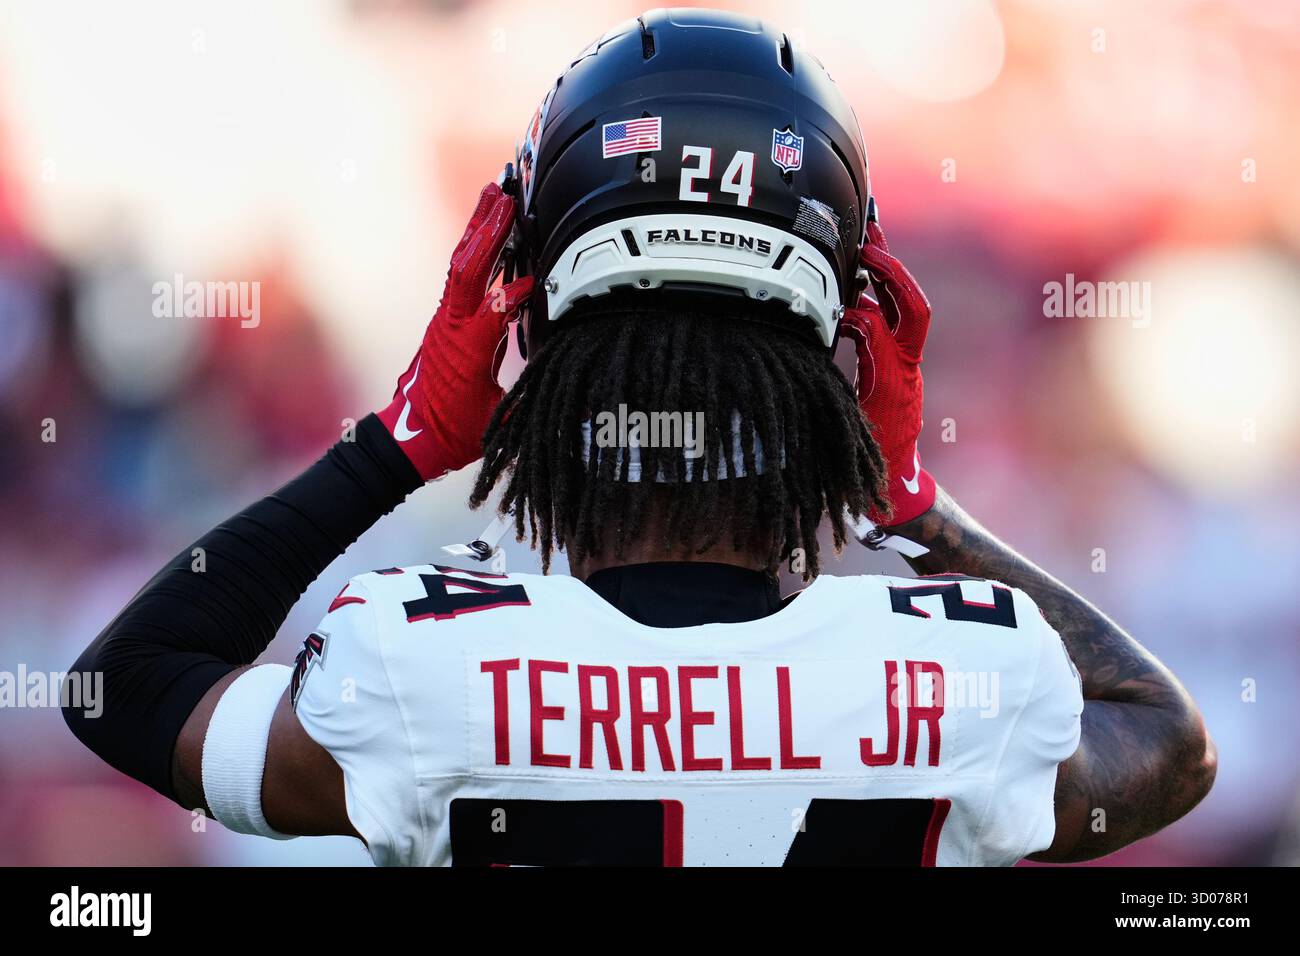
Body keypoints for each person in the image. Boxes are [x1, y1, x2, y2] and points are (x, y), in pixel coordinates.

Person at [64, 9, 1214, 866]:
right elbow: (1168, 743)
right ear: (840, 362)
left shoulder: (415, 661)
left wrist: (401, 443)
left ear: (535, 341)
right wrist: (906, 497)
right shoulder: (969, 673)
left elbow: (123, 686)